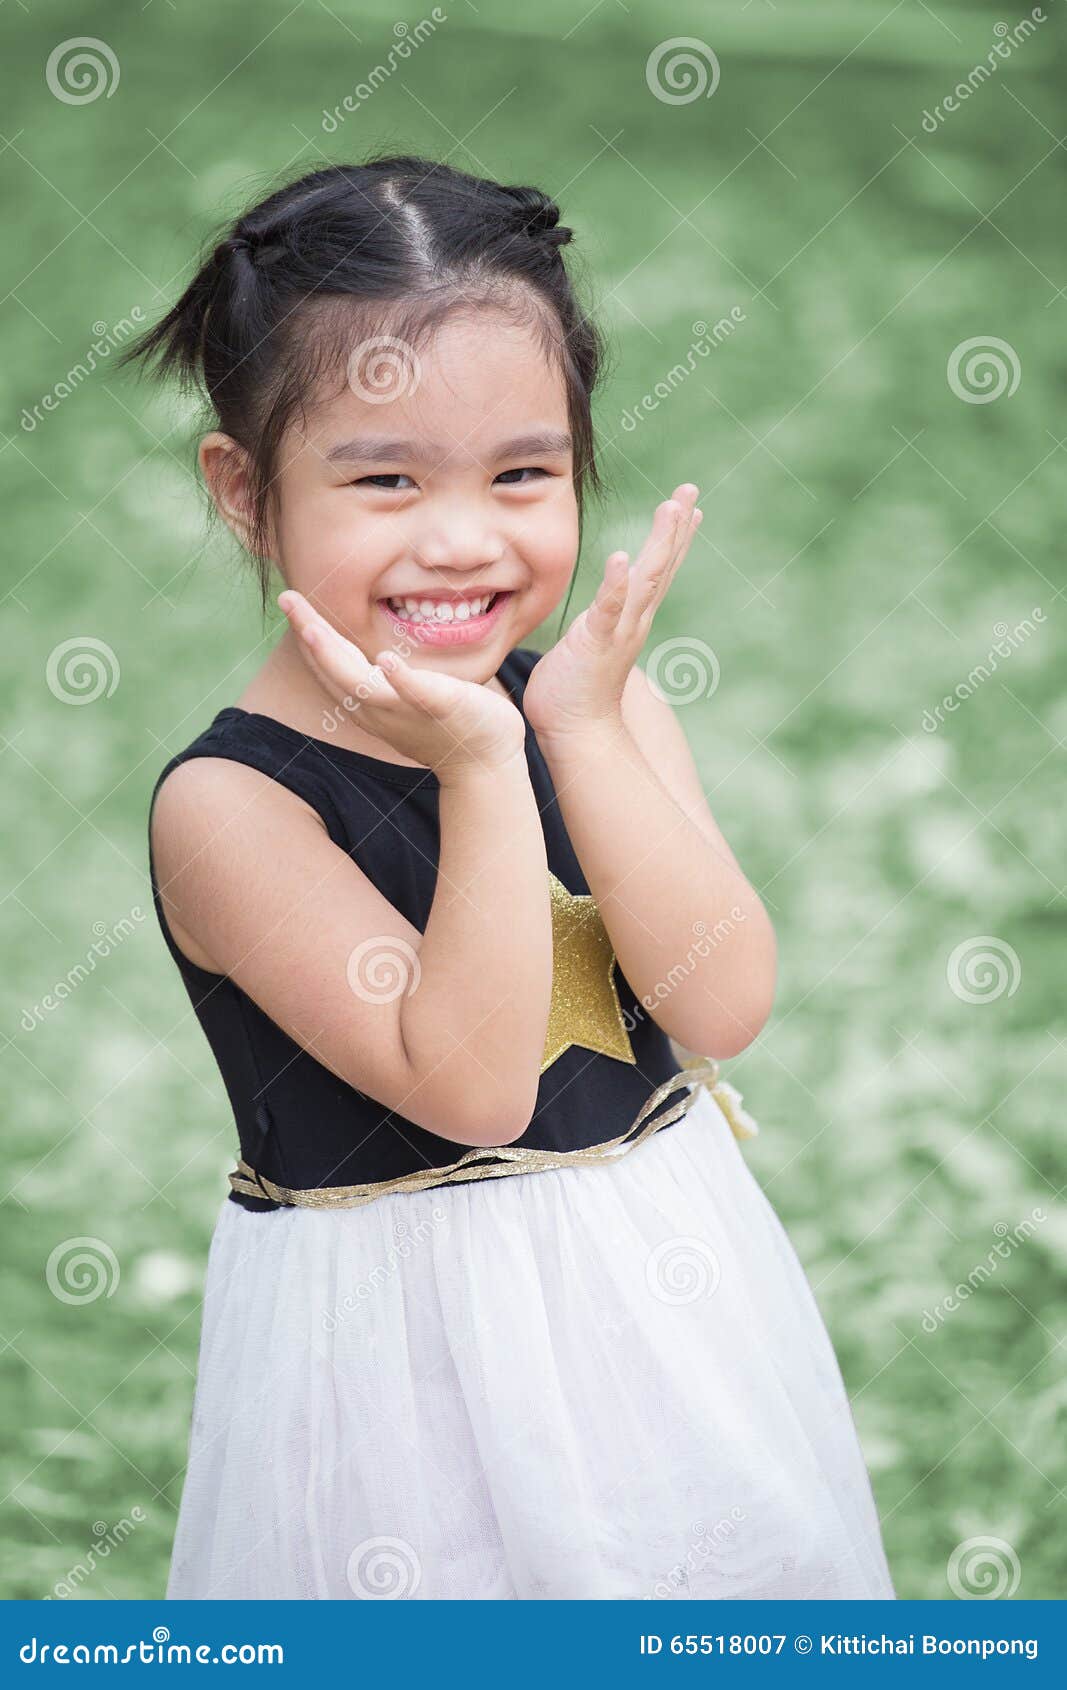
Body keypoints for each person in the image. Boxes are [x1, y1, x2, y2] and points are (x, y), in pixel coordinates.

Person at [124, 153, 896, 1600]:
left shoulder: (590, 708)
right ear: (245, 490)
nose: (464, 537)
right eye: (386, 478)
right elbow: (473, 1086)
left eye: (524, 473)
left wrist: (579, 731)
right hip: (401, 1386)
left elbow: (719, 999)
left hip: (671, 1309)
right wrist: (485, 772)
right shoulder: (232, 807)